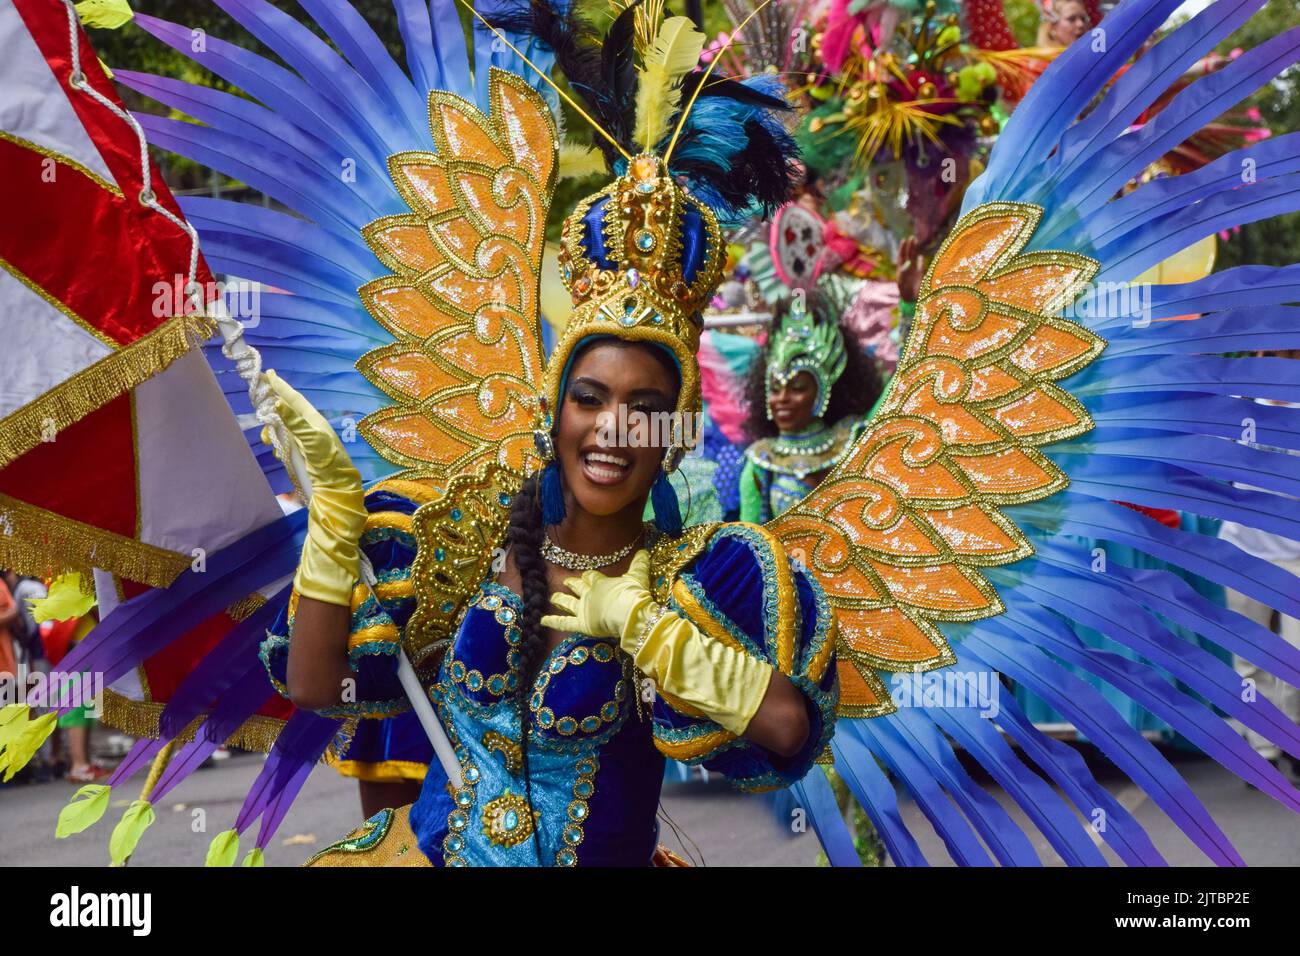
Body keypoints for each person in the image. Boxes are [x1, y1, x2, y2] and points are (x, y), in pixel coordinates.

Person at [740, 294, 884, 522]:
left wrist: (909, 309)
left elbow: (899, 395)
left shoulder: (851, 439)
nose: (782, 399)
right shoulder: (762, 460)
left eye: (797, 388)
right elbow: (751, 541)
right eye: (776, 389)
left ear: (822, 390)